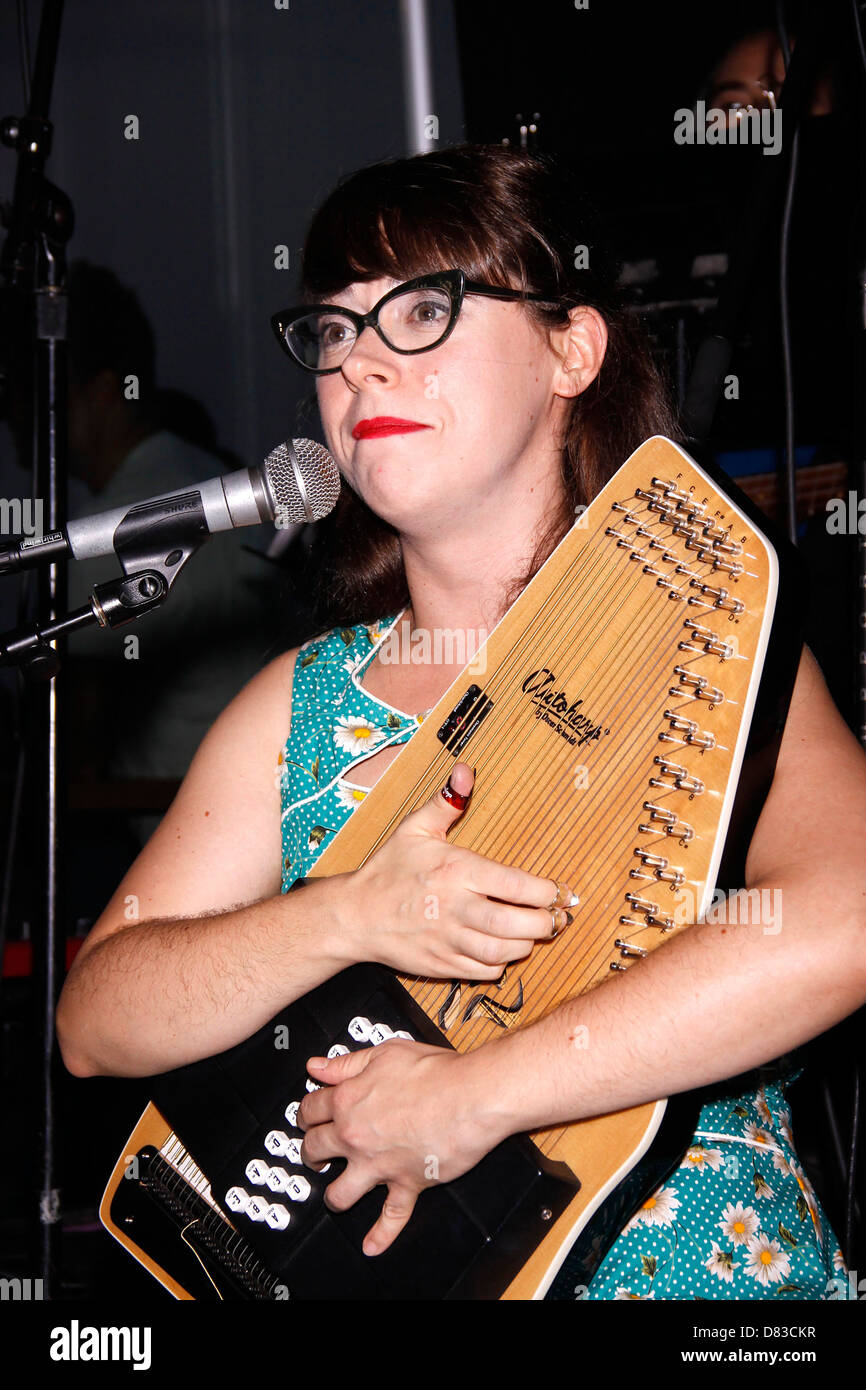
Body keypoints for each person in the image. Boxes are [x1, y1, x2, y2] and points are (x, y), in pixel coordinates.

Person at [56, 144, 866, 1301]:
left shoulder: (703, 639)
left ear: (569, 349)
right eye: (332, 332)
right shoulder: (299, 705)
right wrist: (345, 917)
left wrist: (467, 1098)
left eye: (421, 310)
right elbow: (99, 1018)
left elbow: (843, 917)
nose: (360, 366)